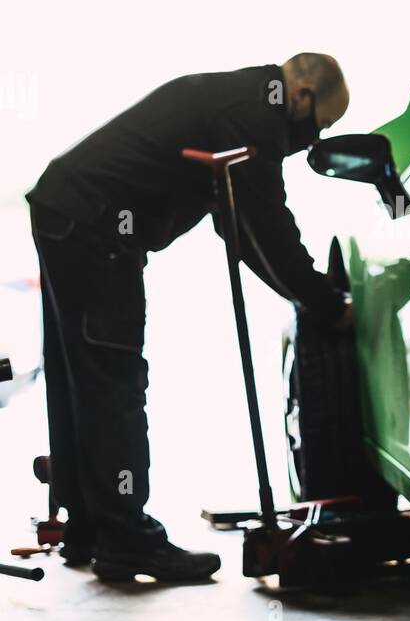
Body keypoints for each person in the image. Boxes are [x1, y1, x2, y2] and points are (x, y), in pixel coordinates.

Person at [27, 53, 351, 583]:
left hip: (67, 209)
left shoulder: (239, 101)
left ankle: (89, 526)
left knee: (79, 378)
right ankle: (128, 541)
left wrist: (301, 294)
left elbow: (238, 228)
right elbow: (265, 224)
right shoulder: (256, 115)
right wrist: (324, 303)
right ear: (303, 97)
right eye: (320, 127)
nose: (311, 142)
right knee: (115, 381)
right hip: (95, 225)